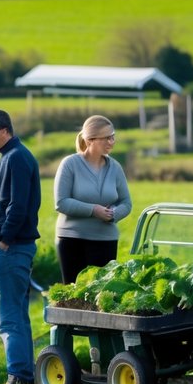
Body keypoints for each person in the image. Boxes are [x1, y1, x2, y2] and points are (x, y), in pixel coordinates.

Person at [0, 109, 41, 384]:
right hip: (12, 246)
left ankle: (17, 377)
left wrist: (4, 237)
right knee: (17, 310)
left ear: (4, 131)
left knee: (9, 315)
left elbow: (18, 204)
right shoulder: (13, 156)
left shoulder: (16, 158)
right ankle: (25, 375)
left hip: (12, 248)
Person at [54, 115, 132, 283]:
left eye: (113, 136)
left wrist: (114, 213)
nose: (112, 141)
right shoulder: (69, 164)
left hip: (106, 240)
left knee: (100, 297)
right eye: (106, 138)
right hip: (72, 240)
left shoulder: (116, 168)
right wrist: (94, 210)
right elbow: (61, 202)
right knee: (74, 297)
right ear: (90, 140)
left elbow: (126, 202)